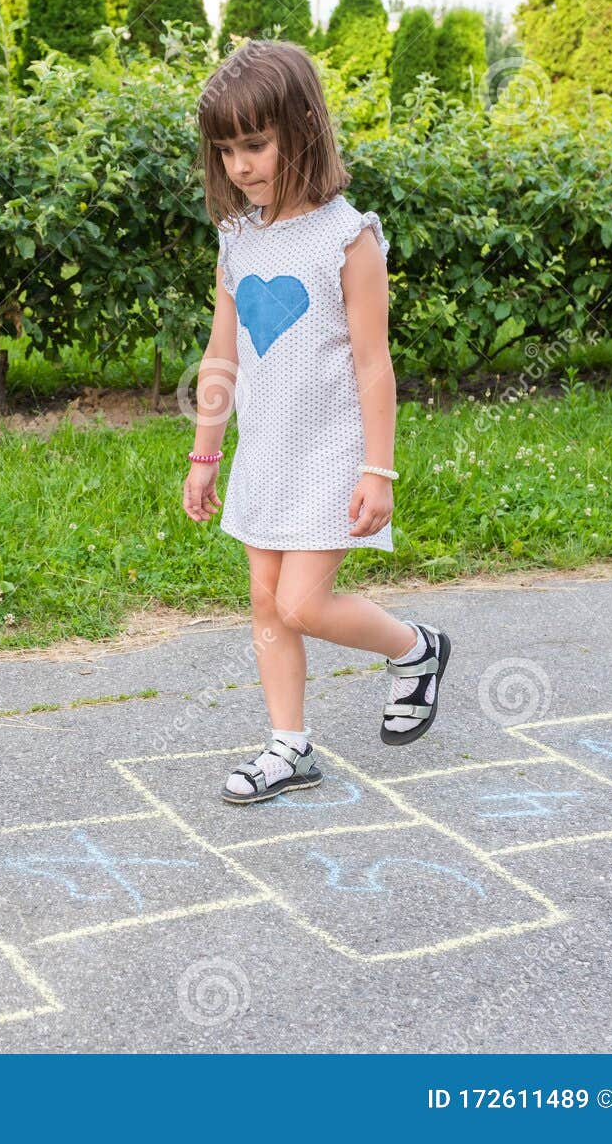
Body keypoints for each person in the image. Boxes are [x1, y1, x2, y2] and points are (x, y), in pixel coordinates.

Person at [181, 39, 451, 806]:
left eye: (255, 144)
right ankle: (289, 746)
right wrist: (206, 453)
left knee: (303, 603)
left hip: (331, 453)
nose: (240, 165)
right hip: (265, 451)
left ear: (302, 130)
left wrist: (379, 469)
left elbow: (374, 364)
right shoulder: (237, 239)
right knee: (267, 602)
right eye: (226, 149)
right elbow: (222, 355)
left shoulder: (348, 237)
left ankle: (417, 649)